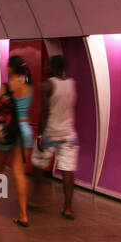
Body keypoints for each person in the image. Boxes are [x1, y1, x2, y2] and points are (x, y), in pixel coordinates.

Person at [0, 55, 34, 227]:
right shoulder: (29, 89)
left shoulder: (5, 87)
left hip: (7, 130)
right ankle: (24, 214)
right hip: (25, 131)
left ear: (11, 69)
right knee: (19, 172)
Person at [36, 54, 79, 220]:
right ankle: (68, 208)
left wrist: (40, 134)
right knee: (68, 171)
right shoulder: (72, 84)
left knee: (38, 164)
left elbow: (44, 111)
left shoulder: (47, 85)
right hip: (69, 134)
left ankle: (36, 197)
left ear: (53, 67)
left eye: (48, 65)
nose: (45, 68)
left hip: (50, 132)